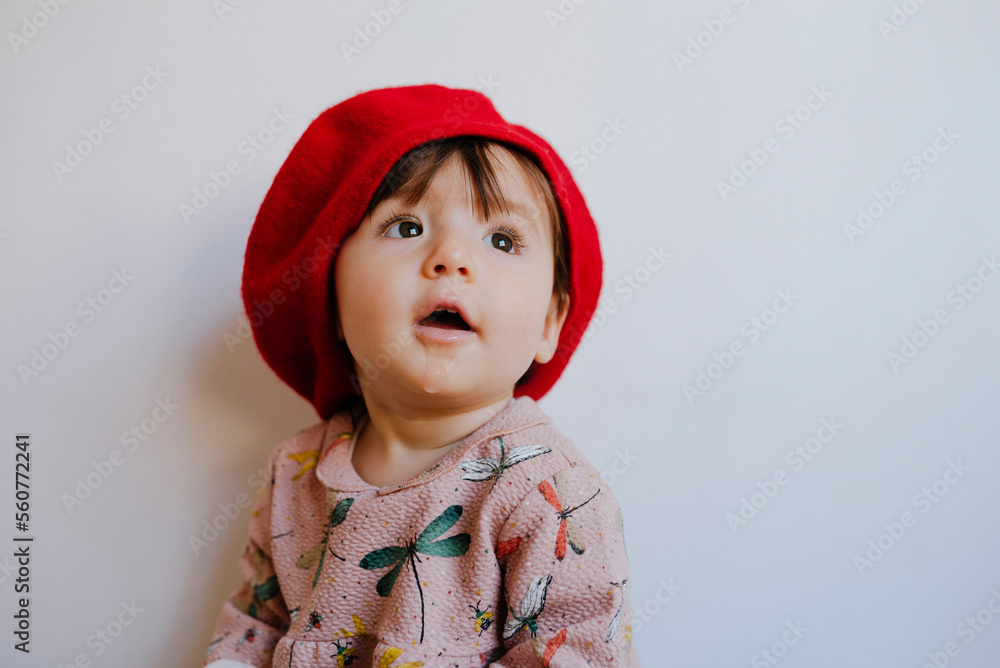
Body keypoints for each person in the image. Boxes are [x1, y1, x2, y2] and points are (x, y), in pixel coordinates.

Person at [203, 84, 638, 667]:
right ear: (328, 298)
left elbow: (578, 653)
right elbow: (250, 630)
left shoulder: (550, 494)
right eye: (407, 228)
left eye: (502, 240)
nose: (452, 259)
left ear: (549, 323)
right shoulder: (296, 474)